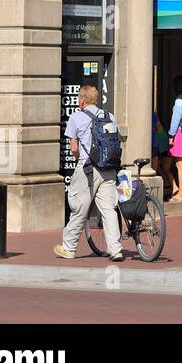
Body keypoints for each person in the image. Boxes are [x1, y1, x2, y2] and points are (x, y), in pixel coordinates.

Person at [54, 85, 123, 261]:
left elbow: (74, 148)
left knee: (79, 208)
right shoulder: (109, 116)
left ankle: (69, 248)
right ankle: (116, 249)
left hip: (87, 169)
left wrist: (80, 156)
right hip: (108, 169)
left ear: (82, 100)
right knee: (109, 210)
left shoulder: (76, 117)